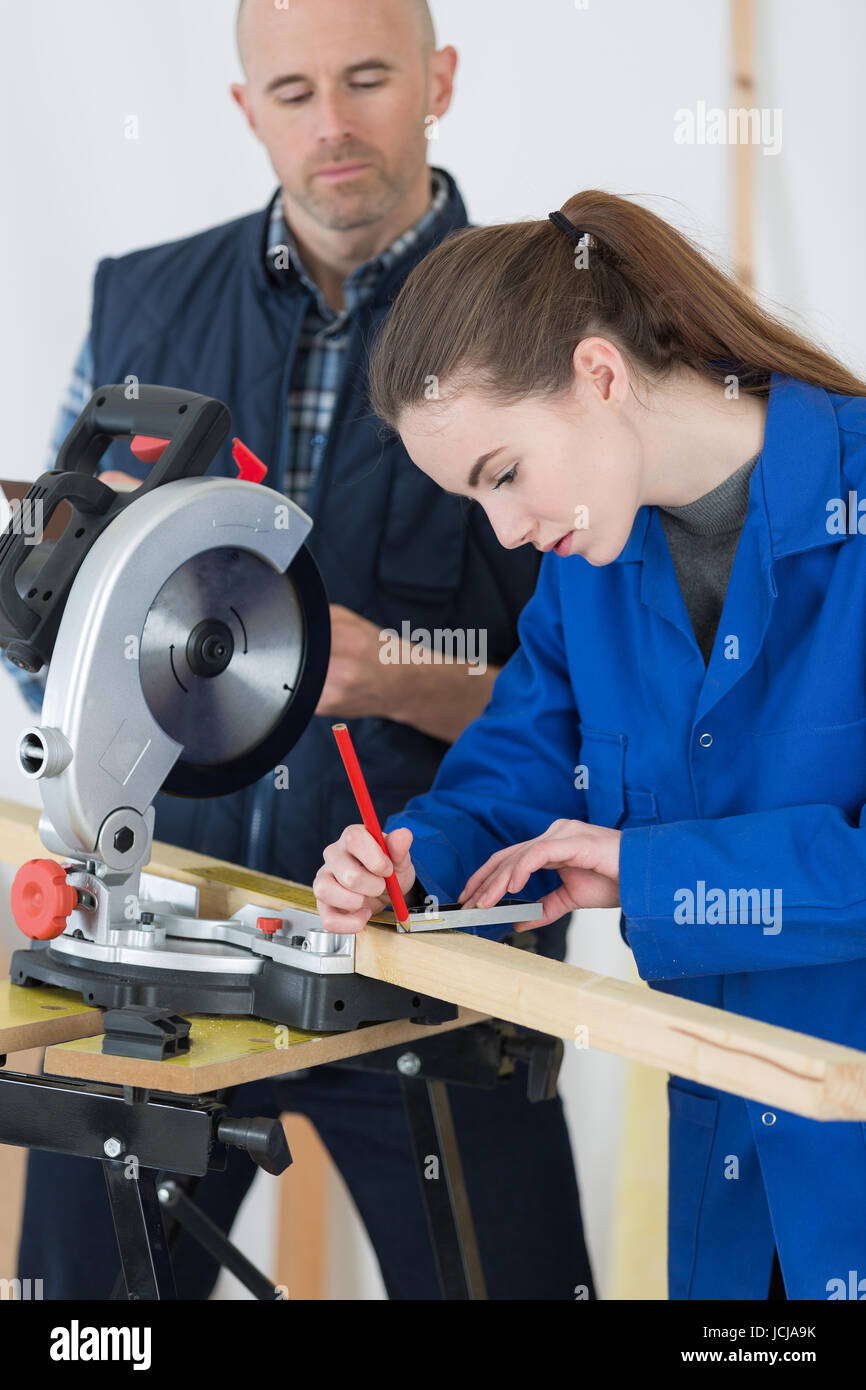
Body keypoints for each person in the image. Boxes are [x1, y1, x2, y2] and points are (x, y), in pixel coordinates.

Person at [10, 0, 593, 1301]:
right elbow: (45, 619)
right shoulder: (141, 302)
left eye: (369, 78)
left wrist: (393, 675)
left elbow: (606, 723)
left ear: (439, 78)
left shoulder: (549, 326)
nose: (330, 125)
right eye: (290, 91)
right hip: (161, 941)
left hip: (430, 966)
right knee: (86, 1335)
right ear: (242, 106)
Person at [312, 186, 866, 1301]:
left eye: (502, 474)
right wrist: (412, 852)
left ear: (599, 374)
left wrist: (649, 870)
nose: (506, 530)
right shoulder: (584, 572)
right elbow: (517, 766)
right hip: (725, 1159)